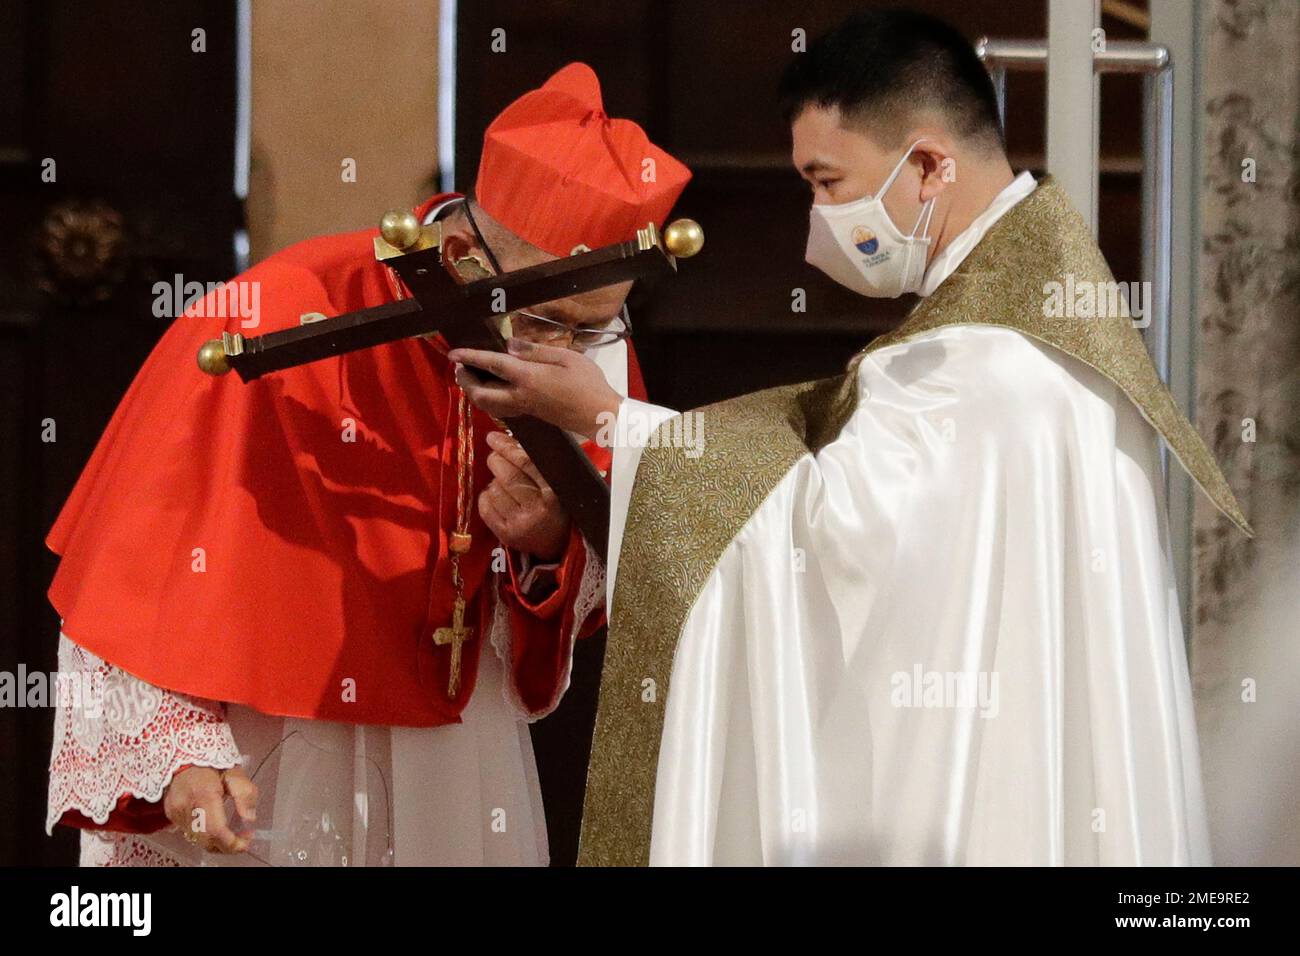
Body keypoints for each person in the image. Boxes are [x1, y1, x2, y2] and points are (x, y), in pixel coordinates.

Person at [450, 11, 1250, 866]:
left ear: (930, 165)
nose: (818, 216)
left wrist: (605, 417)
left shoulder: (985, 360)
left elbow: (826, 538)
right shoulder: (1038, 318)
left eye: (828, 182)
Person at [44, 62, 690, 867]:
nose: (564, 354)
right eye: (543, 319)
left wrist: (545, 542)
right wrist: (178, 753)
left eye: (592, 328)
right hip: (269, 748)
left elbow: (602, 556)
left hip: (459, 763)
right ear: (463, 254)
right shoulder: (281, 312)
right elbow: (129, 573)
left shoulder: (582, 349)